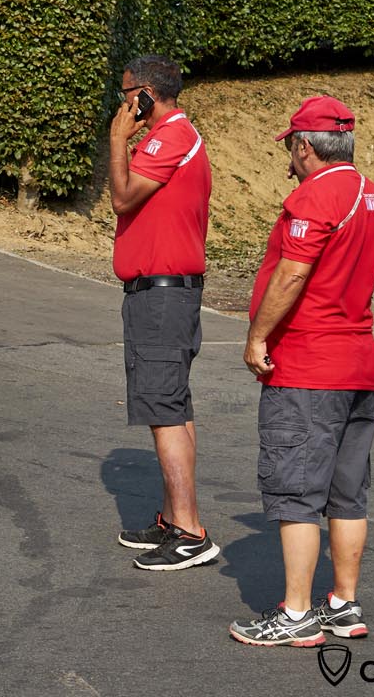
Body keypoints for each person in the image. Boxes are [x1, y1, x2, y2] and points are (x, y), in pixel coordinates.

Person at [229, 97, 374, 648]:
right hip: (357, 362)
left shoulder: (315, 196)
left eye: (291, 149)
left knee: (296, 490)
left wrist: (256, 335)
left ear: (305, 145)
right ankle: (344, 603)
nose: (291, 159)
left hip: (308, 365)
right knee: (348, 493)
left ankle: (296, 611)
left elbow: (294, 274)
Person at [108, 54, 218, 572]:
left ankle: (191, 532)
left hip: (162, 294)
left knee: (163, 407)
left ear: (147, 93)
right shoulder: (172, 135)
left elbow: (123, 197)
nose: (123, 100)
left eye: (128, 91)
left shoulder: (169, 134)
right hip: (164, 291)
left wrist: (116, 141)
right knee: (173, 404)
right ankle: (179, 521)